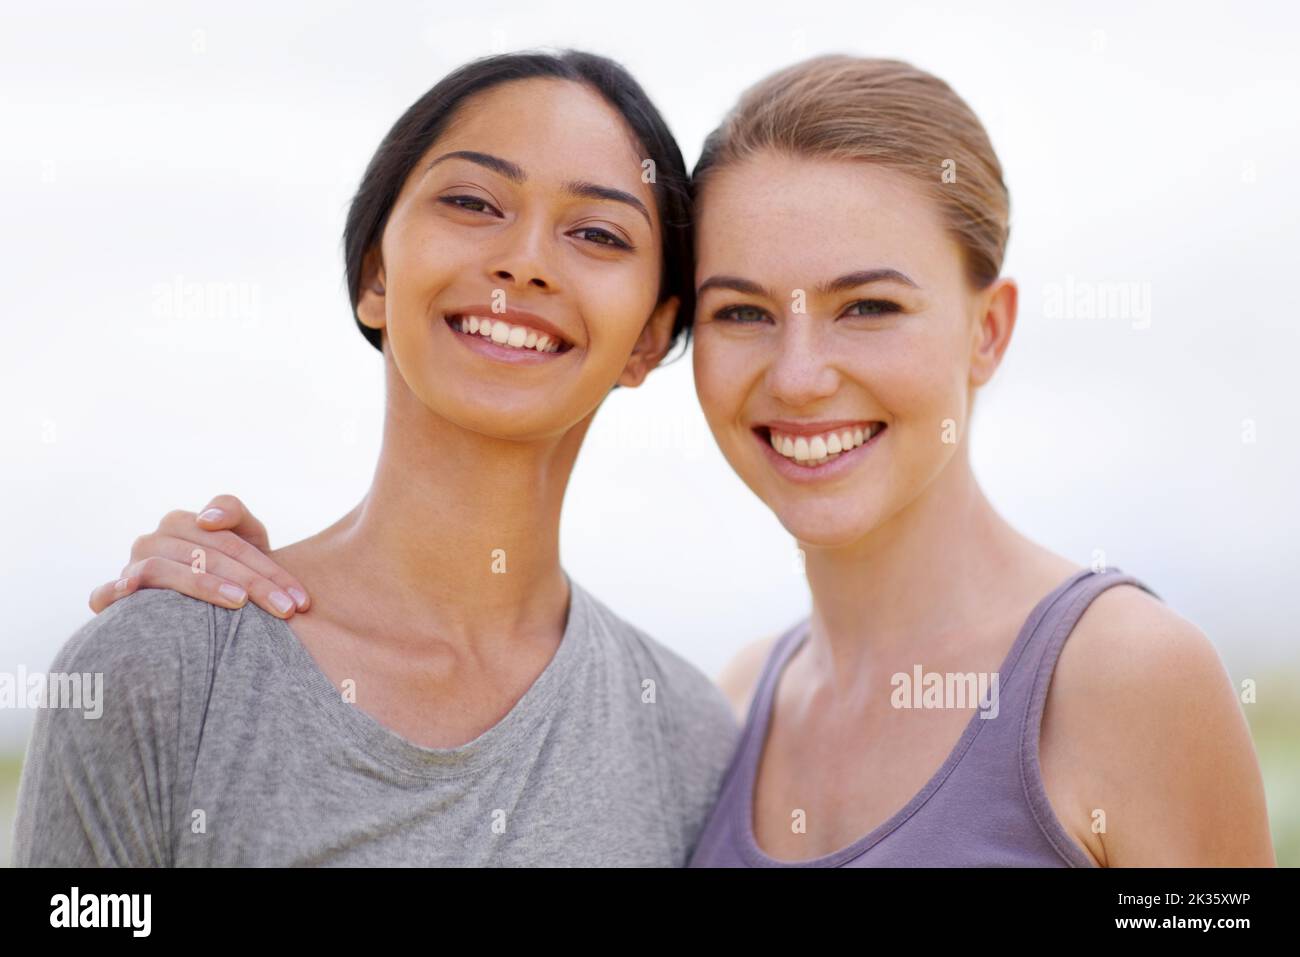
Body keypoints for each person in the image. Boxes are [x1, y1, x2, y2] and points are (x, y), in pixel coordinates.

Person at [70, 55, 1275, 867]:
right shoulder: (736, 713)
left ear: (990, 331)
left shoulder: (1125, 677)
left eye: (867, 307)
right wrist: (170, 651)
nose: (800, 376)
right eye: (744, 312)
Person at [12, 50, 738, 867]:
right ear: (375, 276)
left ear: (647, 335)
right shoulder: (162, 669)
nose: (525, 262)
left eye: (598, 233)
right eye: (471, 201)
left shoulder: (689, 736)